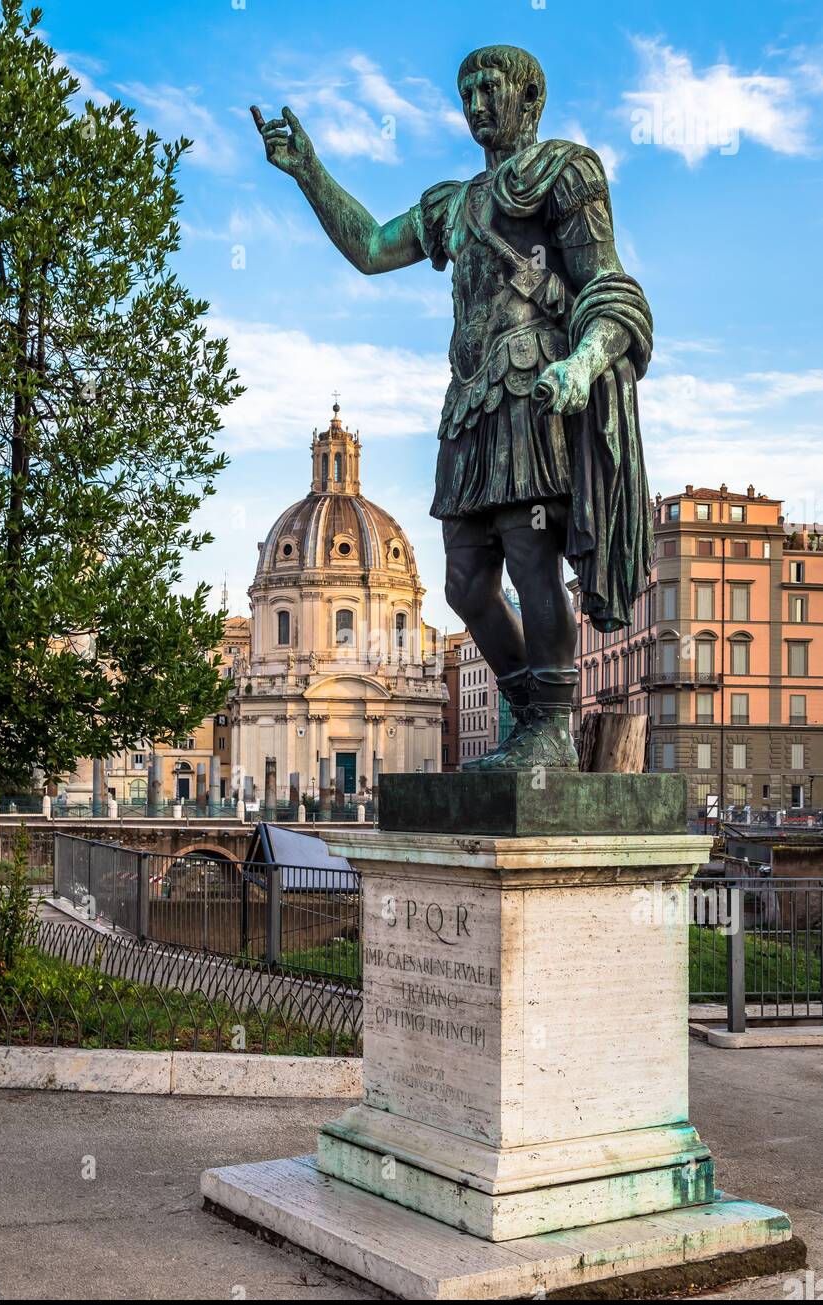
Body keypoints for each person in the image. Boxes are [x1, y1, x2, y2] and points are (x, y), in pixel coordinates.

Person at [252, 45, 653, 768]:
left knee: (531, 555)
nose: (475, 103)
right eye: (465, 91)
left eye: (489, 87)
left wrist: (583, 363)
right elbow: (373, 247)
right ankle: (535, 716)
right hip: (471, 401)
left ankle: (548, 732)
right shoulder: (455, 204)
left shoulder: (567, 172)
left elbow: (608, 286)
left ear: (531, 97)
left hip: (533, 386)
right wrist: (310, 174)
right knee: (467, 581)